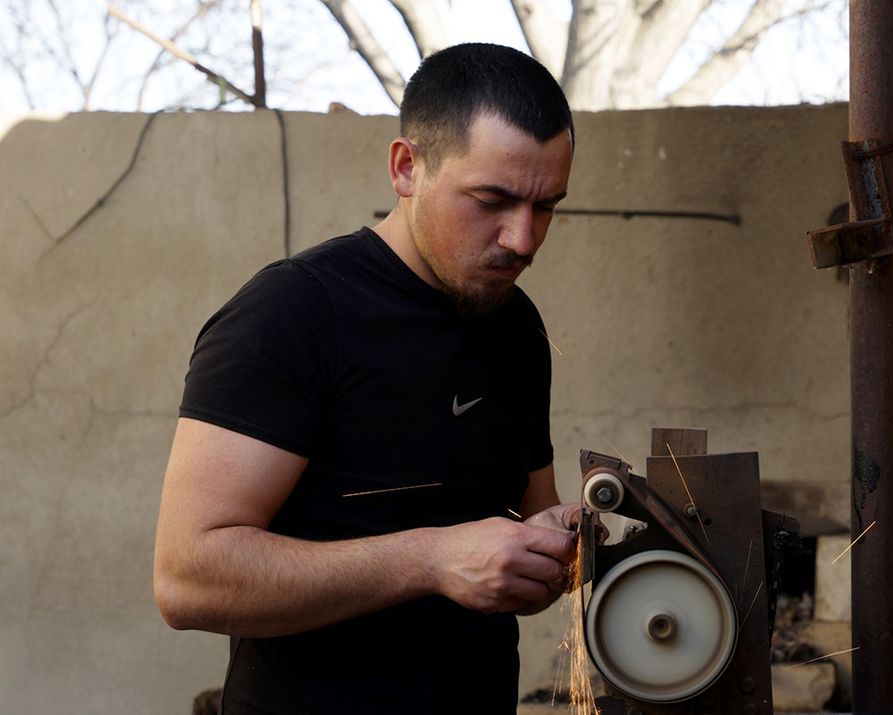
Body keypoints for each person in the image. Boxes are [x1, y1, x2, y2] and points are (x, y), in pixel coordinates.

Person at [154, 43, 580, 713]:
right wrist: (434, 560)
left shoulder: (516, 327)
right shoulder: (294, 312)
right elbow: (186, 578)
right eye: (492, 199)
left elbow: (527, 528)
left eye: (547, 206)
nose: (523, 240)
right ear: (407, 167)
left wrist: (559, 544)